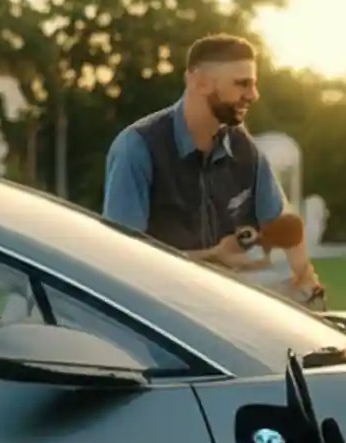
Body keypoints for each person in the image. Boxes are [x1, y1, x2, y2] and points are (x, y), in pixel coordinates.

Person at [101, 33, 323, 304]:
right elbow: (120, 258)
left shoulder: (244, 148)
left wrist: (304, 278)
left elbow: (282, 223)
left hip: (227, 311)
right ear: (200, 82)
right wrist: (213, 256)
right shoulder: (137, 148)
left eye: (253, 84)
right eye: (242, 84)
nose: (253, 95)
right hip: (159, 316)